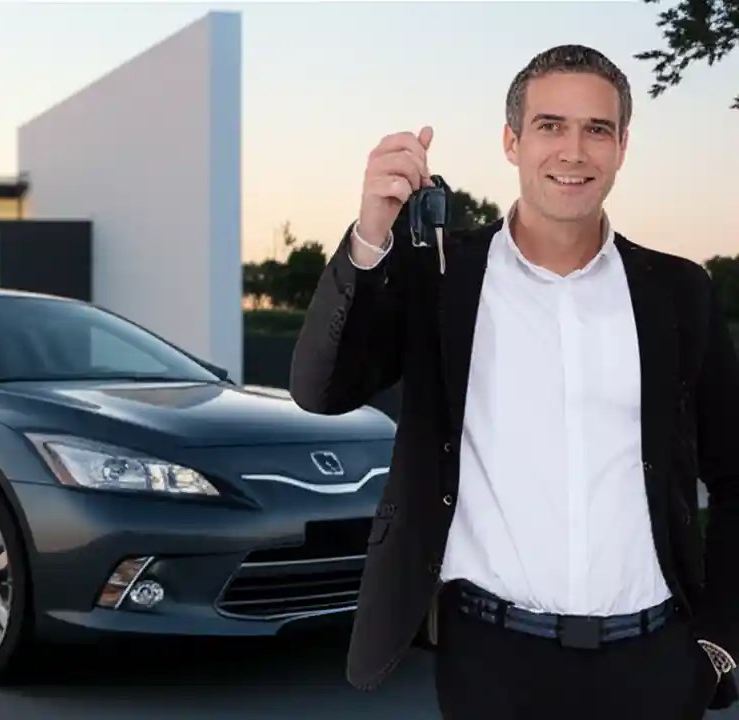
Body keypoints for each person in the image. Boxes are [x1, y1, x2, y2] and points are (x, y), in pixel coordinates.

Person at [289, 44, 739, 719]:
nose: (574, 151)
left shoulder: (678, 292)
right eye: (550, 126)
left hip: (657, 665)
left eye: (597, 130)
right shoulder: (443, 278)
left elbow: (734, 474)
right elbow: (320, 389)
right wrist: (370, 234)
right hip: (493, 664)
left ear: (622, 147)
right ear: (512, 142)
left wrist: (719, 645)